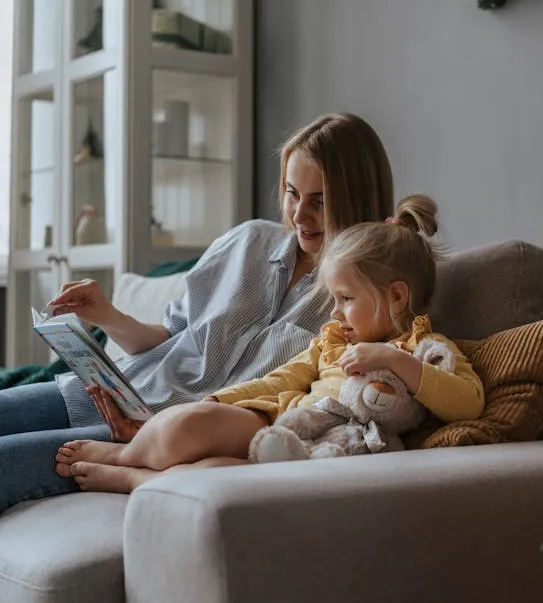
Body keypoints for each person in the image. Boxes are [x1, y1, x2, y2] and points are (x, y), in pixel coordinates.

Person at [0, 113, 395, 512]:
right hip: (114, 391)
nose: (298, 216)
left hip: (159, 440)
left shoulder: (361, 298)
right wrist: (106, 315)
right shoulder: (248, 241)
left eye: (319, 202)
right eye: (292, 193)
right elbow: (170, 335)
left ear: (357, 199)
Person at [56, 195, 485, 494]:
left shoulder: (426, 348)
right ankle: (130, 453)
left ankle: (132, 479)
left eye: (346, 300)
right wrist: (219, 401)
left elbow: (468, 402)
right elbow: (281, 379)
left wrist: (396, 360)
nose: (334, 313)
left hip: (333, 452)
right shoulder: (331, 342)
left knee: (212, 476)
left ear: (396, 297)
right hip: (284, 424)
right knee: (189, 422)